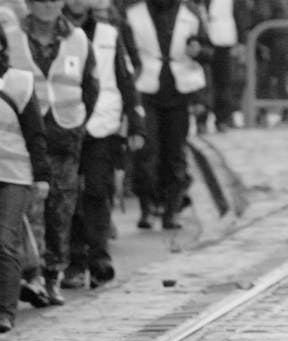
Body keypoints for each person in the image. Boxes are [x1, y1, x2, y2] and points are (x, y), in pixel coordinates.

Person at [6, 0, 97, 306]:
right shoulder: (12, 35)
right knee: (27, 211)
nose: (45, 5)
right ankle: (31, 273)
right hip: (25, 139)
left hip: (64, 136)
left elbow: (91, 86)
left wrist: (78, 125)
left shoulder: (78, 38)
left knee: (61, 209)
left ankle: (52, 274)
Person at [61, 0, 143, 289]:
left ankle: (98, 257)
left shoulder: (109, 34)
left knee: (97, 190)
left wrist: (135, 121)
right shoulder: (56, 33)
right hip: (64, 123)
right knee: (68, 195)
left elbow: (125, 77)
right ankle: (74, 258)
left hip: (103, 123)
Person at [123, 0, 210, 230]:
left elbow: (209, 53)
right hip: (145, 88)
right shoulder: (134, 12)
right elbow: (124, 53)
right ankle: (147, 206)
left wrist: (198, 51)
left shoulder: (191, 13)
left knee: (174, 153)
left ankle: (171, 210)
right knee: (146, 150)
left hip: (179, 91)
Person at [0, 23, 51, 331]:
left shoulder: (19, 83)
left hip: (13, 175)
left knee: (4, 242)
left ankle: (5, 311)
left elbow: (36, 134)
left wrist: (42, 175)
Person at [200, 0, 243, 131]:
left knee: (223, 83)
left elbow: (240, 16)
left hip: (223, 41)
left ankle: (223, 119)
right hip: (201, 40)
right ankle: (201, 119)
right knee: (201, 83)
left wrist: (241, 41)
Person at [247, 0, 285, 126]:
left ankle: (266, 114)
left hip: (272, 46)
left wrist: (263, 46)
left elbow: (264, 19)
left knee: (271, 81)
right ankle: (265, 114)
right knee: (270, 81)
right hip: (269, 45)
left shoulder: (267, 3)